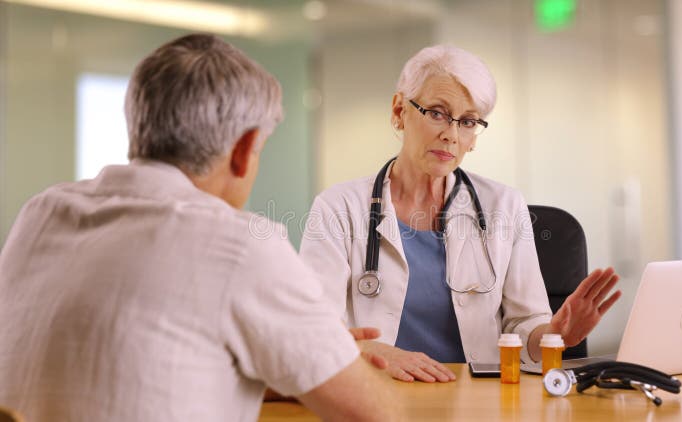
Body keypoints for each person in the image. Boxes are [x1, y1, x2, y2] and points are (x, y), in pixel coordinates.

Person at [0, 34, 396, 421]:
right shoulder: (241, 247)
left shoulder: (42, 213)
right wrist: (329, 354)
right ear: (243, 151)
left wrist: (295, 357)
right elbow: (372, 414)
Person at [299, 45, 622, 383]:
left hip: (479, 398)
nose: (450, 135)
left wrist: (557, 336)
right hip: (376, 393)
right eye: (437, 112)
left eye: (467, 121)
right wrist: (371, 351)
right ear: (399, 111)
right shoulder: (338, 208)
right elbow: (314, 324)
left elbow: (525, 329)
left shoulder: (504, 206)